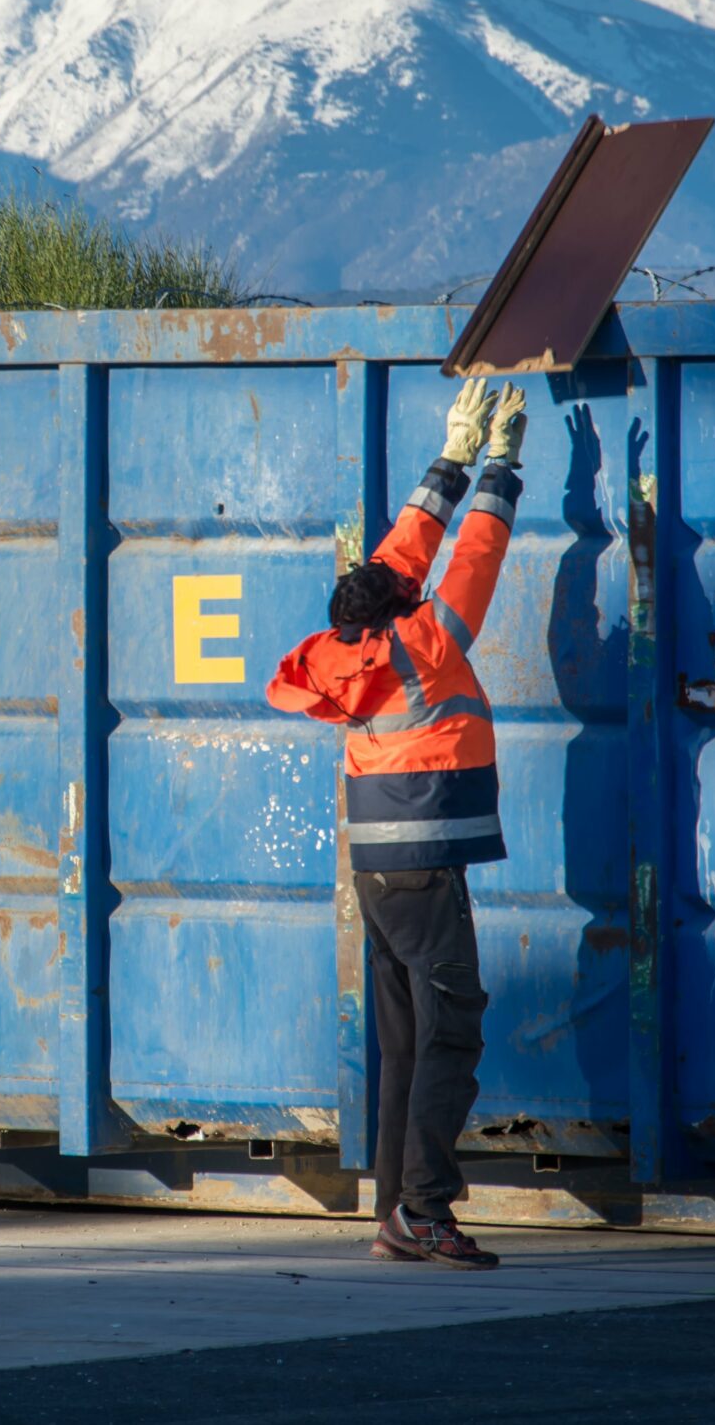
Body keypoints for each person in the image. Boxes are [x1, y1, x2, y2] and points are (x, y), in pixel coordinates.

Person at [265, 376, 527, 1271]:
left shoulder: (345, 651)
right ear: (397, 606)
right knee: (453, 1029)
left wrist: (450, 458)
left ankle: (395, 1211)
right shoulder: (427, 642)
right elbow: (474, 559)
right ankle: (426, 1208)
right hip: (423, 858)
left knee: (406, 1039)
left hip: (376, 866)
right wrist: (500, 467)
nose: (409, 583)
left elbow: (398, 559)